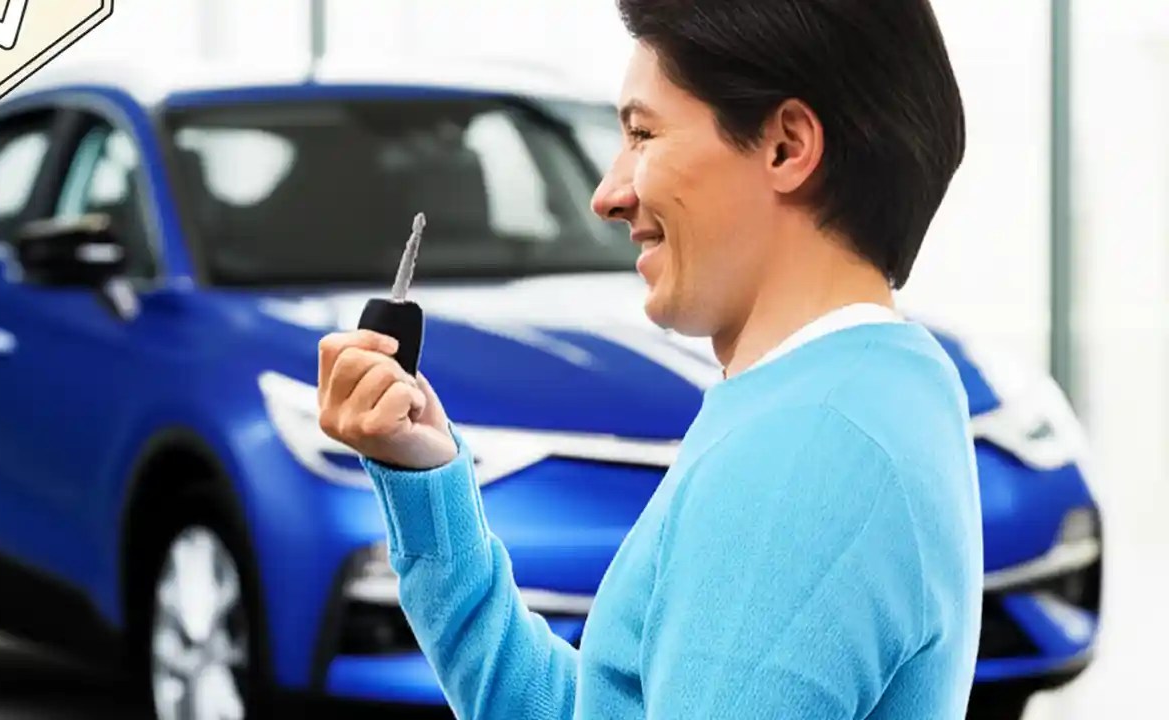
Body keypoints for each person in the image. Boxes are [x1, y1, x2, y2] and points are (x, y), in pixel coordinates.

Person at [316, 0, 982, 717]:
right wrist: (425, 485)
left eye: (642, 133)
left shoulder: (807, 449)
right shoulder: (866, 392)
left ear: (786, 147)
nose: (608, 195)